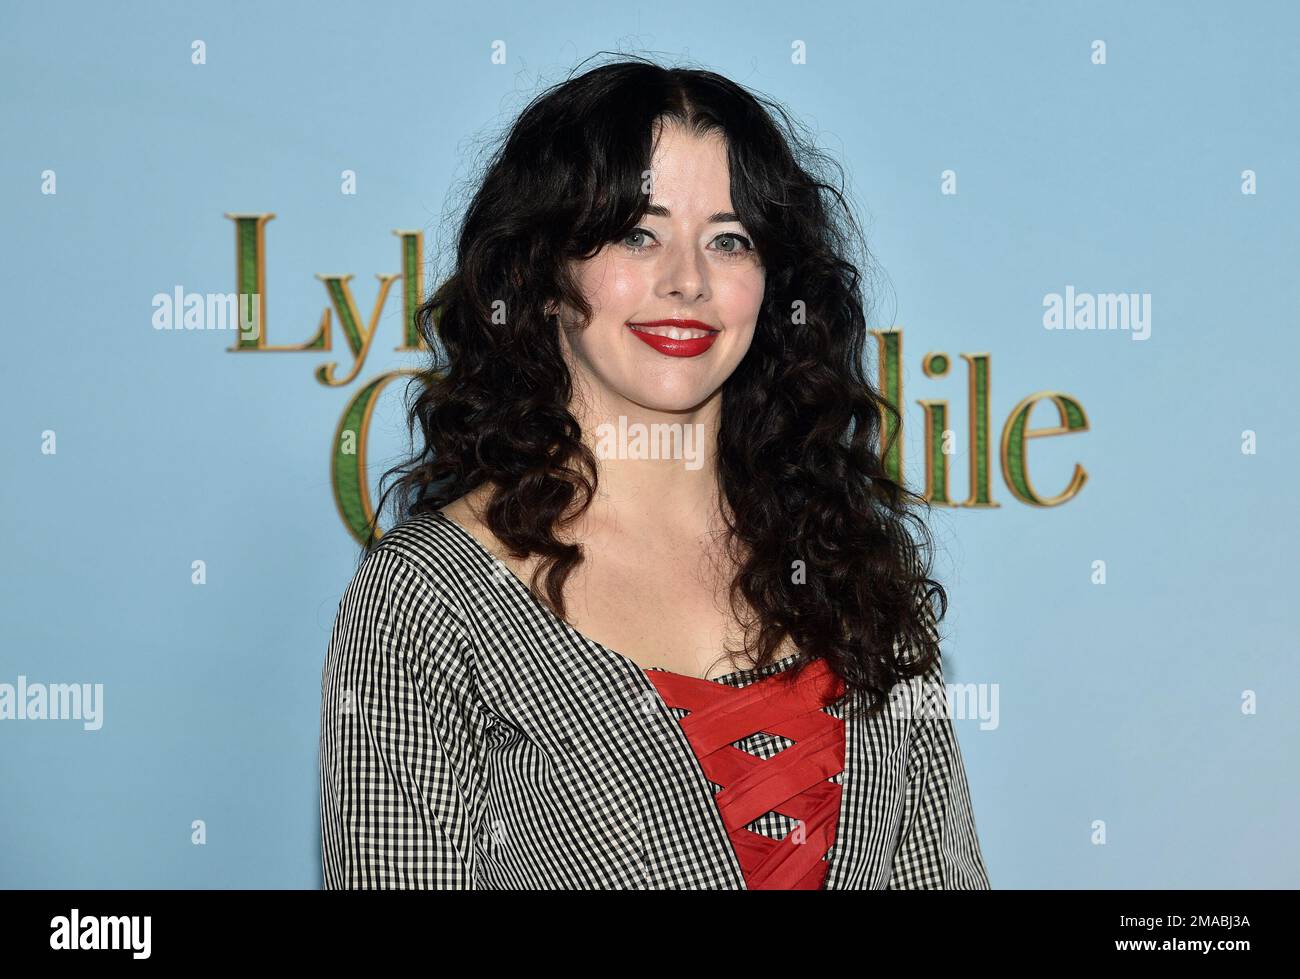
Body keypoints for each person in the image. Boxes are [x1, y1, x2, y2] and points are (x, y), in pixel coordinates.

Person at [319, 54, 991, 890]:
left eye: (729, 239)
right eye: (639, 232)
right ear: (545, 275)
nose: (688, 281)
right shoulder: (430, 600)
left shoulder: (850, 563)